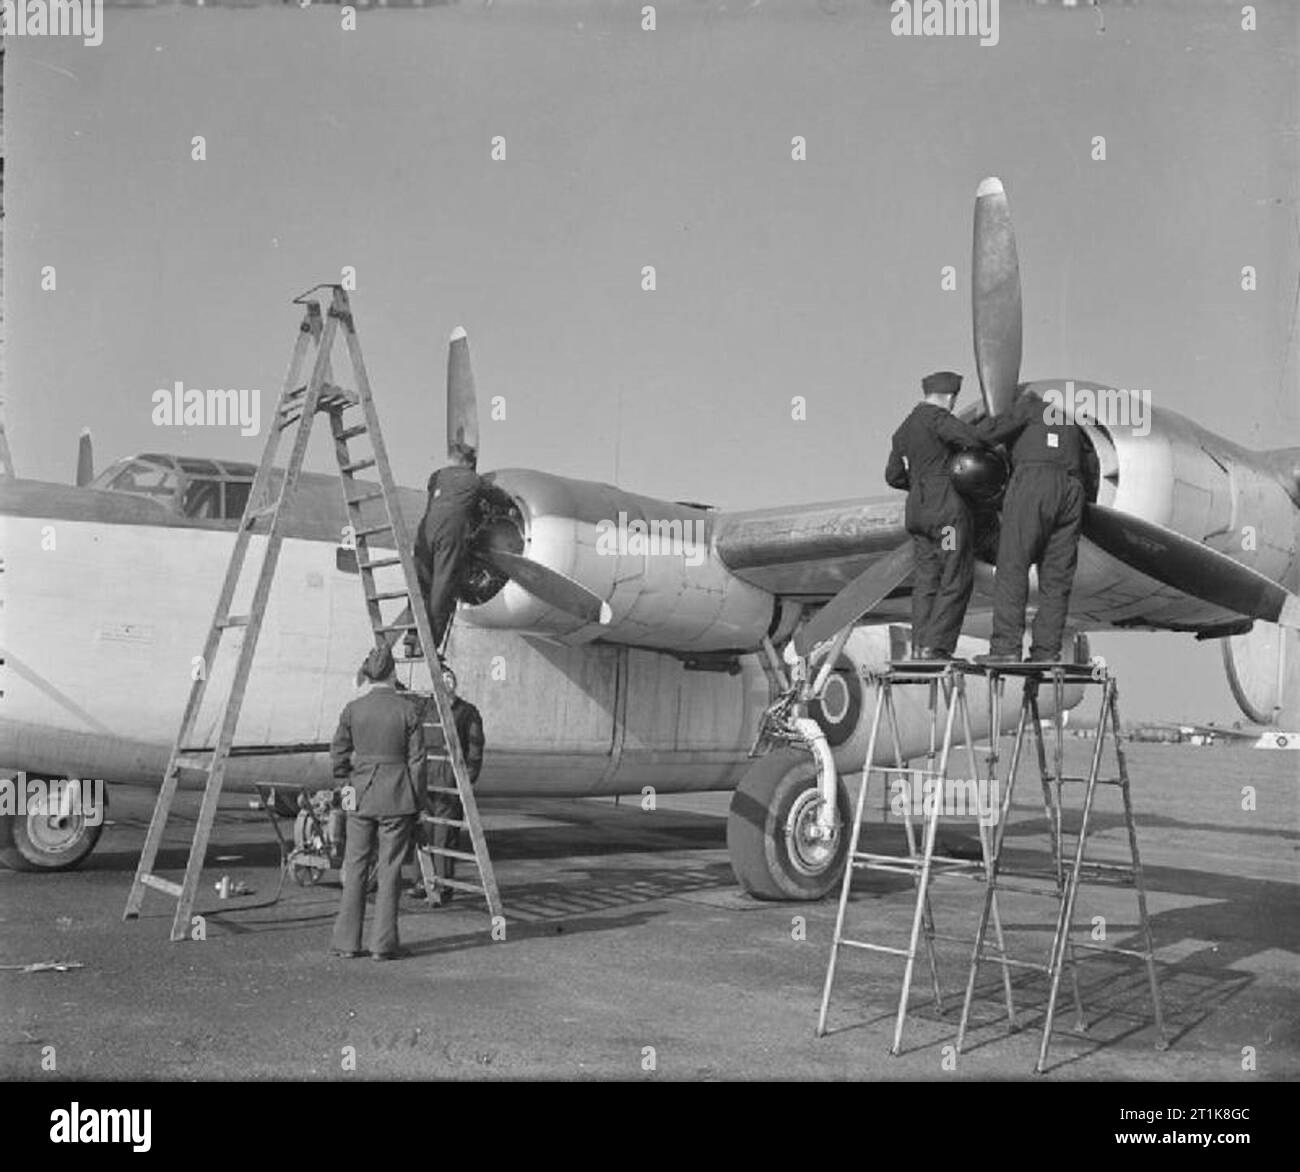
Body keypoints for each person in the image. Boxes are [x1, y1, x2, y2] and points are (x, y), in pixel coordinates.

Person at [973, 390, 1086, 664]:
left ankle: (1006, 649)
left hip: (1034, 482)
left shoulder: (1026, 408)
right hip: (1073, 490)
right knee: (1056, 579)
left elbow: (985, 435)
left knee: (1012, 566)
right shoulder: (1066, 419)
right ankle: (1047, 653)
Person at [884, 370, 989, 660]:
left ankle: (919, 647)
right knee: (954, 576)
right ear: (949, 396)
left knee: (926, 580)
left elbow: (893, 476)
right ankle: (937, 646)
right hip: (946, 518)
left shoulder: (903, 430)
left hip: (918, 518)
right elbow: (973, 440)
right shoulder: (938, 419)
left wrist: (919, 486)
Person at [329, 645, 425, 961]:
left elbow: (338, 756)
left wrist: (347, 794)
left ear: (369, 675)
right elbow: (418, 762)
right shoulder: (408, 710)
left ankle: (346, 943)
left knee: (354, 866)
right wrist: (417, 801)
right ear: (394, 673)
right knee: (390, 870)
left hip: (360, 796)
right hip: (397, 798)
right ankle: (383, 946)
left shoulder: (352, 709)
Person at [413, 665, 484, 907]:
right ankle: (424, 881)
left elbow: (475, 748)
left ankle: (443, 886)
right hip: (427, 774)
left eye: (450, 677)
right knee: (424, 831)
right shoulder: (426, 708)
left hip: (449, 775)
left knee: (444, 834)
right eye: (442, 677)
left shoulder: (467, 711)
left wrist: (467, 779)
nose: (447, 681)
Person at [409, 444, 482, 660]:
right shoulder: (475, 481)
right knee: (442, 587)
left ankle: (412, 638)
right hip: (449, 536)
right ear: (470, 463)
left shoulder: (436, 476)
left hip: (424, 533)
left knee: (419, 586)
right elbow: (495, 495)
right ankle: (429, 644)